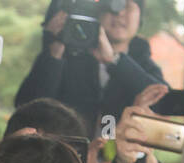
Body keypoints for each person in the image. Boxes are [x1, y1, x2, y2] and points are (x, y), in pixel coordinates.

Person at [16, 0, 164, 138]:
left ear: (140, 19)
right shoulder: (68, 57)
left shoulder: (143, 66)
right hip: (69, 157)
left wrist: (115, 61)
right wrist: (54, 49)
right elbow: (27, 108)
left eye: (128, 6)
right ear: (98, 14)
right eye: (113, 5)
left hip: (122, 159)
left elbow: (164, 103)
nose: (119, 13)